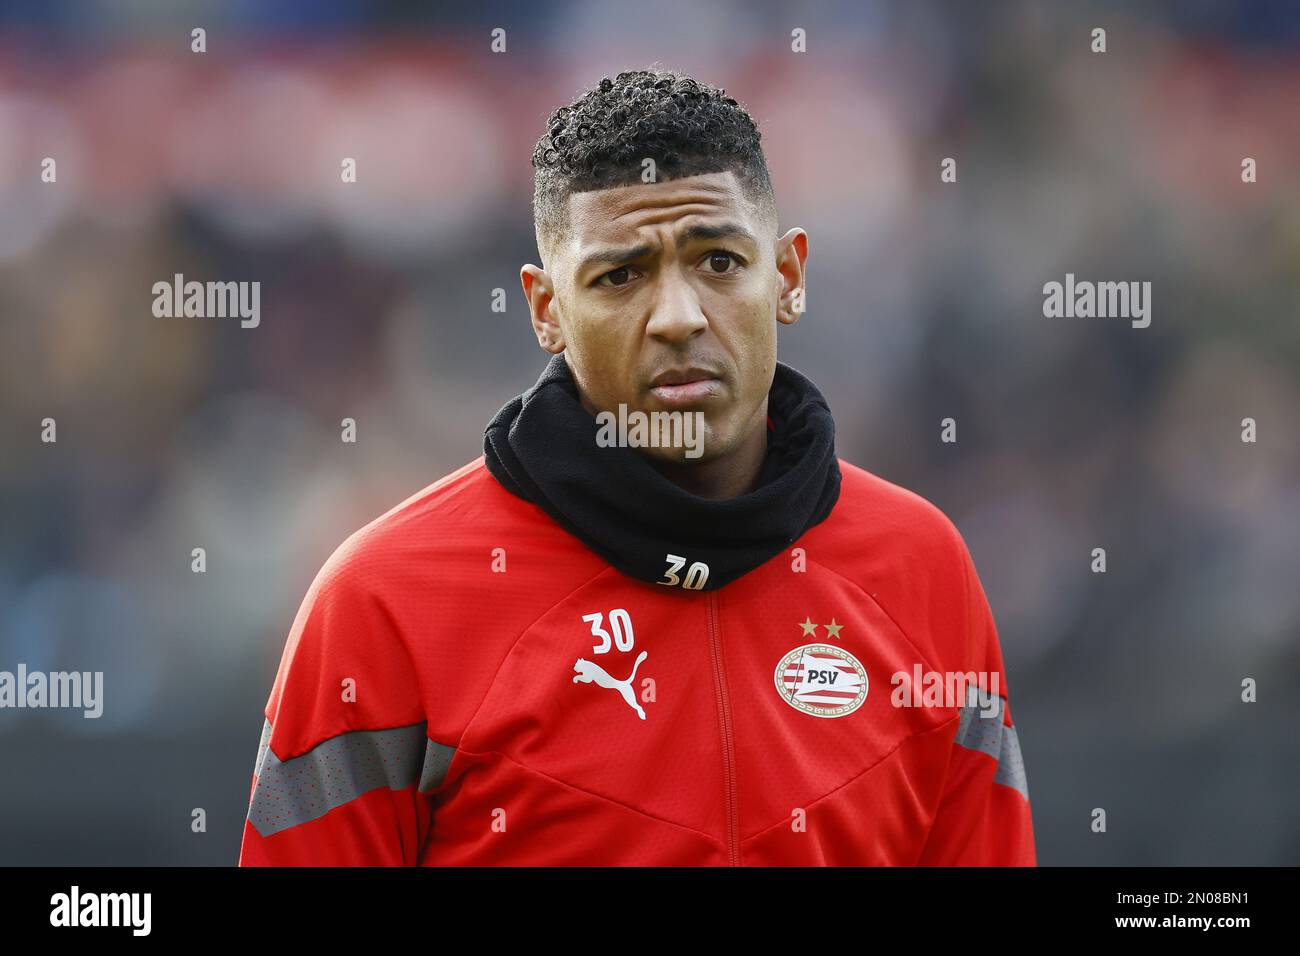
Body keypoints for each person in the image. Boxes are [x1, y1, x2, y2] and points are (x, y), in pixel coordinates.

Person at [237, 67, 1035, 866]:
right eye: (620, 276)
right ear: (547, 311)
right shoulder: (383, 601)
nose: (680, 317)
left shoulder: (923, 568)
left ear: (787, 278)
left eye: (719, 262)